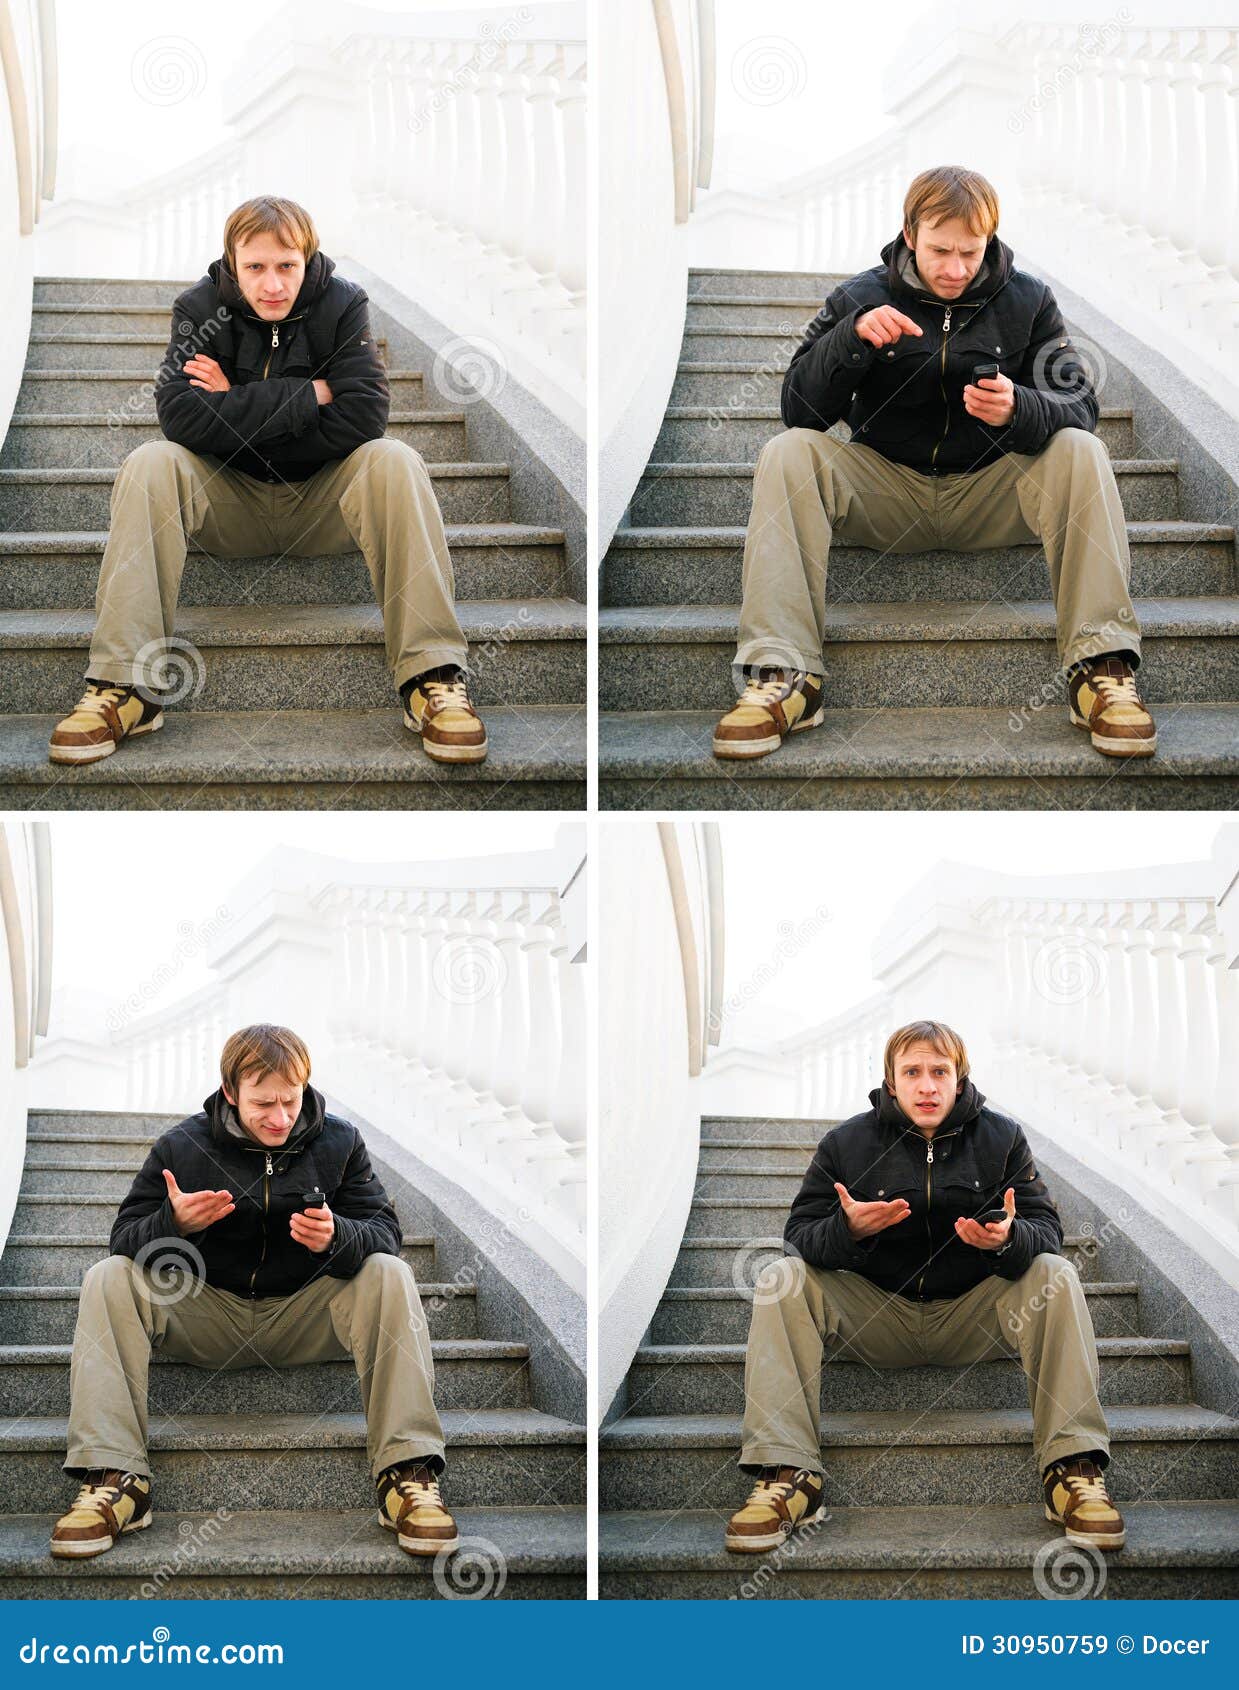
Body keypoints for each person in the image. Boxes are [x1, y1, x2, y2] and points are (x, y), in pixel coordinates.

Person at [712, 164, 1156, 763]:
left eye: (969, 253)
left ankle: (1099, 668)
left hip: (992, 496)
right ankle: (784, 678)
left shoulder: (1029, 300)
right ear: (910, 233)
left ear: (990, 242)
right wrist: (851, 340)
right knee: (787, 452)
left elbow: (1080, 403)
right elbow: (798, 410)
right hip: (885, 497)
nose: (954, 268)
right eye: (940, 249)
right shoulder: (858, 296)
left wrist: (1019, 409)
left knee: (1081, 448)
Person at [48, 194, 487, 768]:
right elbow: (179, 417)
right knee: (150, 462)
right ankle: (126, 690)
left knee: (394, 458)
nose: (272, 284)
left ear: (308, 260)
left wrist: (230, 401)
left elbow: (363, 417)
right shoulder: (198, 308)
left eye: (287, 266)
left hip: (324, 505)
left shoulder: (343, 303)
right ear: (233, 264)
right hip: (228, 507)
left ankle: (431, 676)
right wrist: (311, 394)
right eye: (255, 267)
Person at [50, 1023, 457, 1561]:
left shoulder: (341, 1142)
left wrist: (340, 1236)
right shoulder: (182, 1145)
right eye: (263, 1102)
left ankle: (406, 1473)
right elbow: (123, 1238)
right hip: (207, 1318)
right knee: (106, 1277)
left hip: (304, 1319)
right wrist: (172, 1222)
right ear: (229, 1094)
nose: (281, 1117)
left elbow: (386, 1234)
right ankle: (116, 1478)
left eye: (291, 1100)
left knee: (389, 1272)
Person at [725, 1019, 1125, 1555]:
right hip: (875, 1320)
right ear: (891, 1081)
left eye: (940, 1071)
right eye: (912, 1072)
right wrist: (850, 1231)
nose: (927, 1085)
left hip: (972, 1318)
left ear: (960, 1079)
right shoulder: (846, 1143)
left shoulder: (1002, 1138)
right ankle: (788, 1475)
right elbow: (799, 1237)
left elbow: (1046, 1231)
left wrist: (1006, 1240)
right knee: (781, 1278)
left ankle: (1070, 1470)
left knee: (1056, 1273)